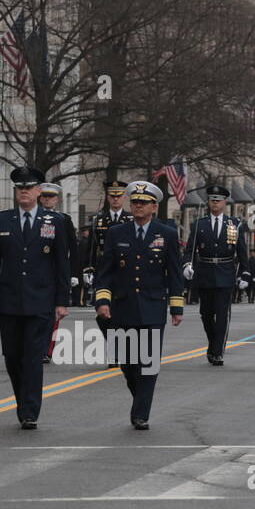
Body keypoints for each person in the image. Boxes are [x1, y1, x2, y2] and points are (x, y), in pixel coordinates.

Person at [0, 166, 71, 429]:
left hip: (41, 300)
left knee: (33, 357)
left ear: (39, 191)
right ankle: (23, 399)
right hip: (10, 299)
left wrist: (61, 301)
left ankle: (30, 410)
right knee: (12, 356)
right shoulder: (2, 220)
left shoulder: (55, 222)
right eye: (20, 188)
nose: (24, 192)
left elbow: (61, 263)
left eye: (29, 188)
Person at [93, 180, 183, 430]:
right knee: (129, 363)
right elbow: (106, 273)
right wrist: (102, 300)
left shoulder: (166, 234)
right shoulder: (116, 233)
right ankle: (140, 400)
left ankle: (141, 413)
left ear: (154, 207)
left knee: (148, 363)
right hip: (123, 307)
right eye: (134, 202)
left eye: (143, 203)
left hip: (153, 307)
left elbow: (174, 273)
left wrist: (176, 307)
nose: (138, 207)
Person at [183, 185, 251, 365]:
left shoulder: (234, 224)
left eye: (218, 199)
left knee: (221, 315)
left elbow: (241, 251)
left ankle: (218, 351)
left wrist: (245, 272)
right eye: (212, 199)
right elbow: (190, 249)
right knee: (205, 314)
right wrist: (187, 265)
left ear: (224, 202)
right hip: (205, 273)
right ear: (208, 202)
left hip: (225, 272)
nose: (215, 202)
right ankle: (213, 342)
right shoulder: (199, 224)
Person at [35, 181, 78, 363]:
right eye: (44, 196)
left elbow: (71, 249)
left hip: (55, 271)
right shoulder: (34, 217)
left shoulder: (63, 219)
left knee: (52, 315)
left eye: (50, 196)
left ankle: (47, 349)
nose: (47, 200)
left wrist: (74, 273)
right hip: (37, 270)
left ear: (57, 199)